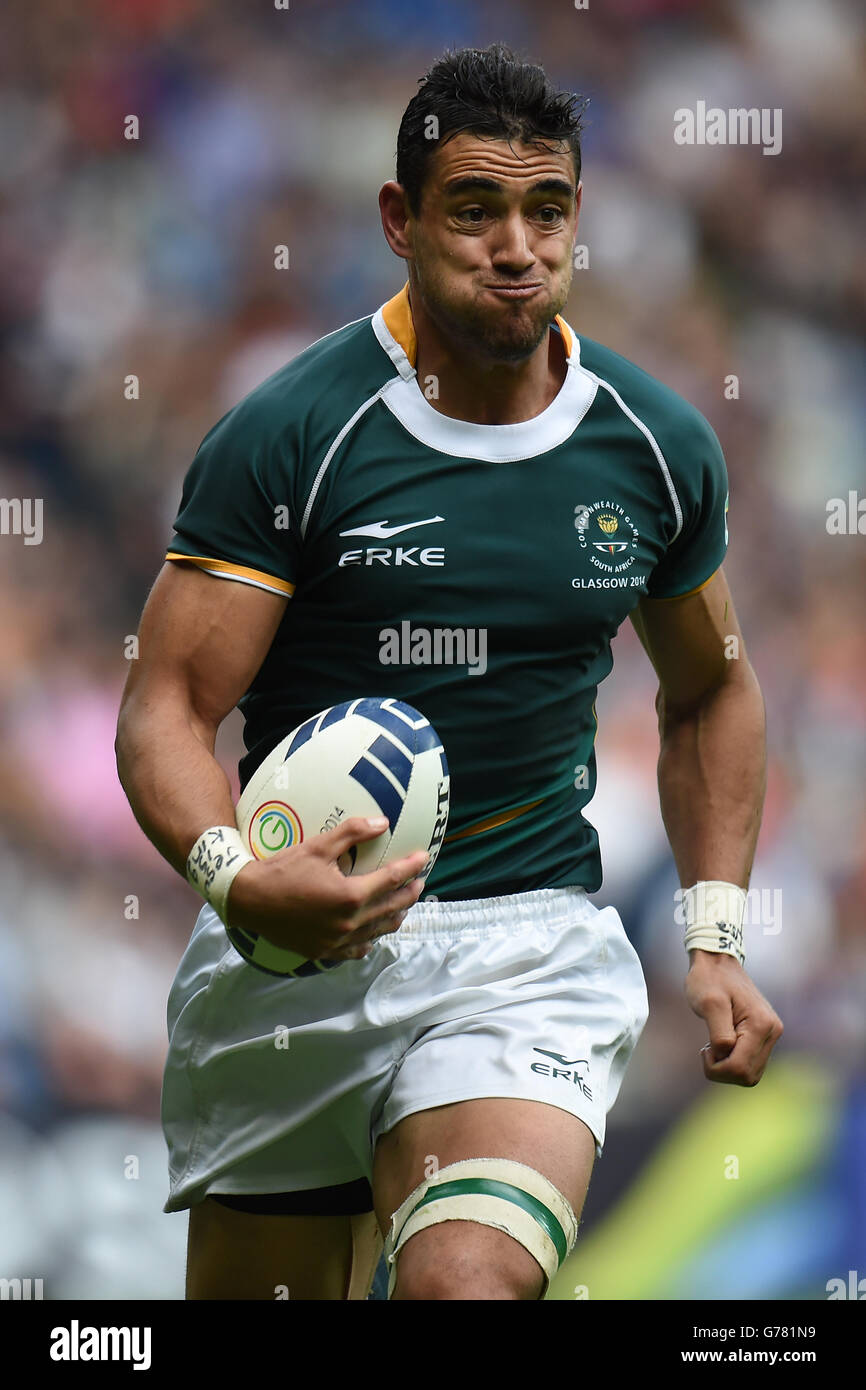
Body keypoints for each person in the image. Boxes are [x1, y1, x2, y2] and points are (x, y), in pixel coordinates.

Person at [116, 42, 783, 1302]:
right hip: (290, 959)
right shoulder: (292, 433)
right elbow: (166, 705)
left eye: (547, 210)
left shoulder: (650, 443)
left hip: (519, 949)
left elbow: (712, 688)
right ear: (400, 219)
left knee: (462, 1287)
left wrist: (713, 932)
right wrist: (238, 878)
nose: (516, 246)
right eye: (475, 210)